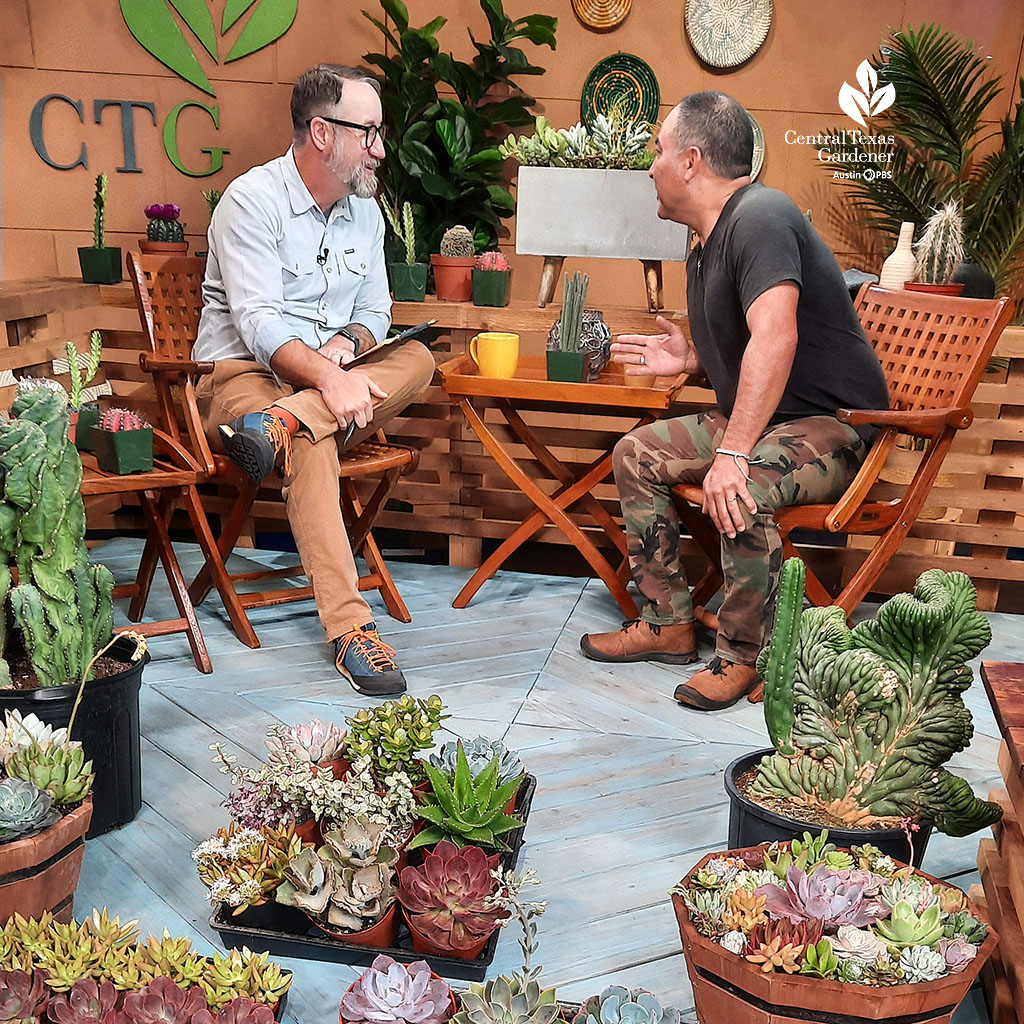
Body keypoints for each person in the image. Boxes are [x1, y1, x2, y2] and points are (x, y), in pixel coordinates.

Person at [580, 91, 889, 711]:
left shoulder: (762, 215)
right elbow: (752, 337)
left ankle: (744, 654)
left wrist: (734, 453)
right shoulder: (704, 239)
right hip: (773, 418)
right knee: (635, 452)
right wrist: (693, 358)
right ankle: (668, 621)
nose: (650, 166)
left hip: (834, 426)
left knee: (745, 482)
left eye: (659, 151)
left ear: (691, 161)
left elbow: (778, 335)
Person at [194, 64, 435, 697]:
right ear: (323, 132)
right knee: (315, 438)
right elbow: (258, 326)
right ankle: (353, 630)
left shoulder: (366, 213)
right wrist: (328, 377)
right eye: (371, 133)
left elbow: (376, 316)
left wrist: (343, 352)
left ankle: (281, 426)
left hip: (316, 390)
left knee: (420, 360)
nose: (381, 149)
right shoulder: (251, 201)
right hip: (241, 379)